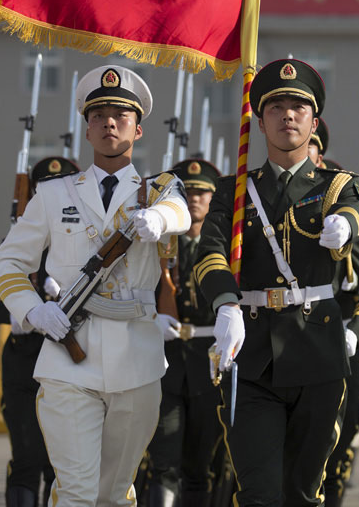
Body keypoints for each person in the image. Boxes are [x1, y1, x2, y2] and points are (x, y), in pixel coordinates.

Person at [0, 65, 190, 507]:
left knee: (113, 494)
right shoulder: (54, 194)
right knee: (77, 491)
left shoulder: (157, 191)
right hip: (68, 361)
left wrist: (157, 219)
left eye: (120, 114)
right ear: (87, 128)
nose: (109, 122)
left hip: (137, 363)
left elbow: (182, 212)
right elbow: (7, 262)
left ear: (137, 129)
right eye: (98, 115)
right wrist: (31, 309)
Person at [194, 59, 359, 506]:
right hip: (251, 356)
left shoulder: (336, 185)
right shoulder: (233, 190)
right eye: (275, 106)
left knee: (302, 492)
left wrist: (346, 227)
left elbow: (354, 210)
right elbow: (209, 253)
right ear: (260, 118)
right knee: (259, 491)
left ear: (313, 121)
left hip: (317, 354)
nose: (287, 115)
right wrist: (226, 304)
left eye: (297, 106)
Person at [0, 156, 79, 507]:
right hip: (24, 366)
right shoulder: (18, 241)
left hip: (73, 364)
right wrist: (18, 312)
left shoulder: (89, 241)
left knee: (61, 466)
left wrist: (64, 294)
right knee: (26, 461)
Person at [308, 119, 359, 507]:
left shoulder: (342, 219)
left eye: (310, 147)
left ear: (319, 157)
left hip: (339, 352)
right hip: (276, 346)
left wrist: (355, 330)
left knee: (333, 455)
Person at [142, 158, 223, 507]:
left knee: (200, 465)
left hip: (210, 364)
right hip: (165, 365)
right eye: (188, 192)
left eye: (203, 193)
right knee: (163, 462)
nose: (195, 199)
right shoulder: (158, 245)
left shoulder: (224, 248)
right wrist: (151, 317)